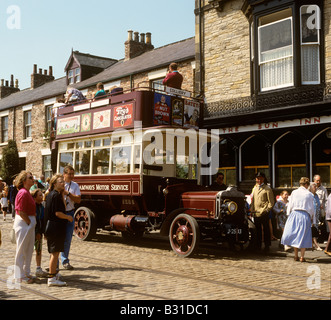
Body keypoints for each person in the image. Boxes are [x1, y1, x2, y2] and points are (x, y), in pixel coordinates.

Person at [44, 174, 73, 287]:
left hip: (53, 227)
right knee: (55, 253)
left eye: (63, 181)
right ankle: (52, 278)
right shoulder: (55, 196)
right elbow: (58, 213)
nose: (63, 183)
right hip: (55, 227)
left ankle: (54, 274)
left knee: (54, 253)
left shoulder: (53, 194)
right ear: (55, 183)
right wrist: (68, 217)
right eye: (60, 181)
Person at [281, 177, 314, 262]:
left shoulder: (294, 192)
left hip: (294, 214)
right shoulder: (309, 194)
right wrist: (312, 218)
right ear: (306, 185)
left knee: (295, 234)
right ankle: (302, 256)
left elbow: (290, 204)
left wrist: (288, 215)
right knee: (304, 235)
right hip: (304, 215)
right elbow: (311, 208)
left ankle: (296, 256)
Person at [13, 171, 36, 284]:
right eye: (30, 177)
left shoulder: (27, 192)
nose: (32, 179)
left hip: (27, 222)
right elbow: (21, 211)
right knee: (22, 249)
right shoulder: (23, 193)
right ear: (24, 181)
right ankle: (19, 275)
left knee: (29, 249)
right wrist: (29, 222)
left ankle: (26, 272)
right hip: (24, 223)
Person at [60, 165, 81, 270]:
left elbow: (78, 200)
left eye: (73, 174)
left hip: (69, 213)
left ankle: (64, 260)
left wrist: (68, 194)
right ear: (64, 174)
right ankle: (53, 262)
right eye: (70, 174)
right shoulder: (59, 184)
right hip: (59, 214)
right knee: (57, 238)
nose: (72, 176)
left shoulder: (75, 185)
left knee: (67, 238)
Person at [250, 172, 275, 253]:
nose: (259, 180)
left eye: (260, 178)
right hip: (255, 212)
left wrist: (266, 210)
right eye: (257, 178)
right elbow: (253, 200)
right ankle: (258, 245)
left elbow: (271, 202)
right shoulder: (255, 188)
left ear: (263, 178)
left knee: (266, 229)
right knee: (257, 230)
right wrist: (251, 210)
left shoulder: (267, 188)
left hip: (264, 213)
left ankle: (267, 246)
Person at [31, 188, 48, 277]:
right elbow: (34, 220)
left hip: (39, 232)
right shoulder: (33, 206)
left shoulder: (42, 206)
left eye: (42, 194)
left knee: (38, 250)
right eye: (40, 195)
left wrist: (43, 232)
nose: (42, 196)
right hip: (32, 232)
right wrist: (37, 231)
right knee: (29, 250)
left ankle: (38, 268)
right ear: (35, 197)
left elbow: (43, 220)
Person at [313, 174, 328, 242]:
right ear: (314, 180)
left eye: (319, 180)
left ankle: (321, 238)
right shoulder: (311, 188)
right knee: (314, 223)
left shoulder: (324, 189)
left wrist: (325, 209)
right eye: (317, 180)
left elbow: (326, 200)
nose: (318, 182)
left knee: (322, 223)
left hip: (321, 209)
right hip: (313, 209)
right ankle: (314, 238)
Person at [309, 182, 322, 251]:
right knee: (313, 230)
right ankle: (316, 245)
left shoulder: (316, 195)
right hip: (311, 216)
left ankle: (312, 245)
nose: (316, 188)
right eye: (314, 187)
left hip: (316, 216)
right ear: (310, 188)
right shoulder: (309, 195)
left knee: (315, 230)